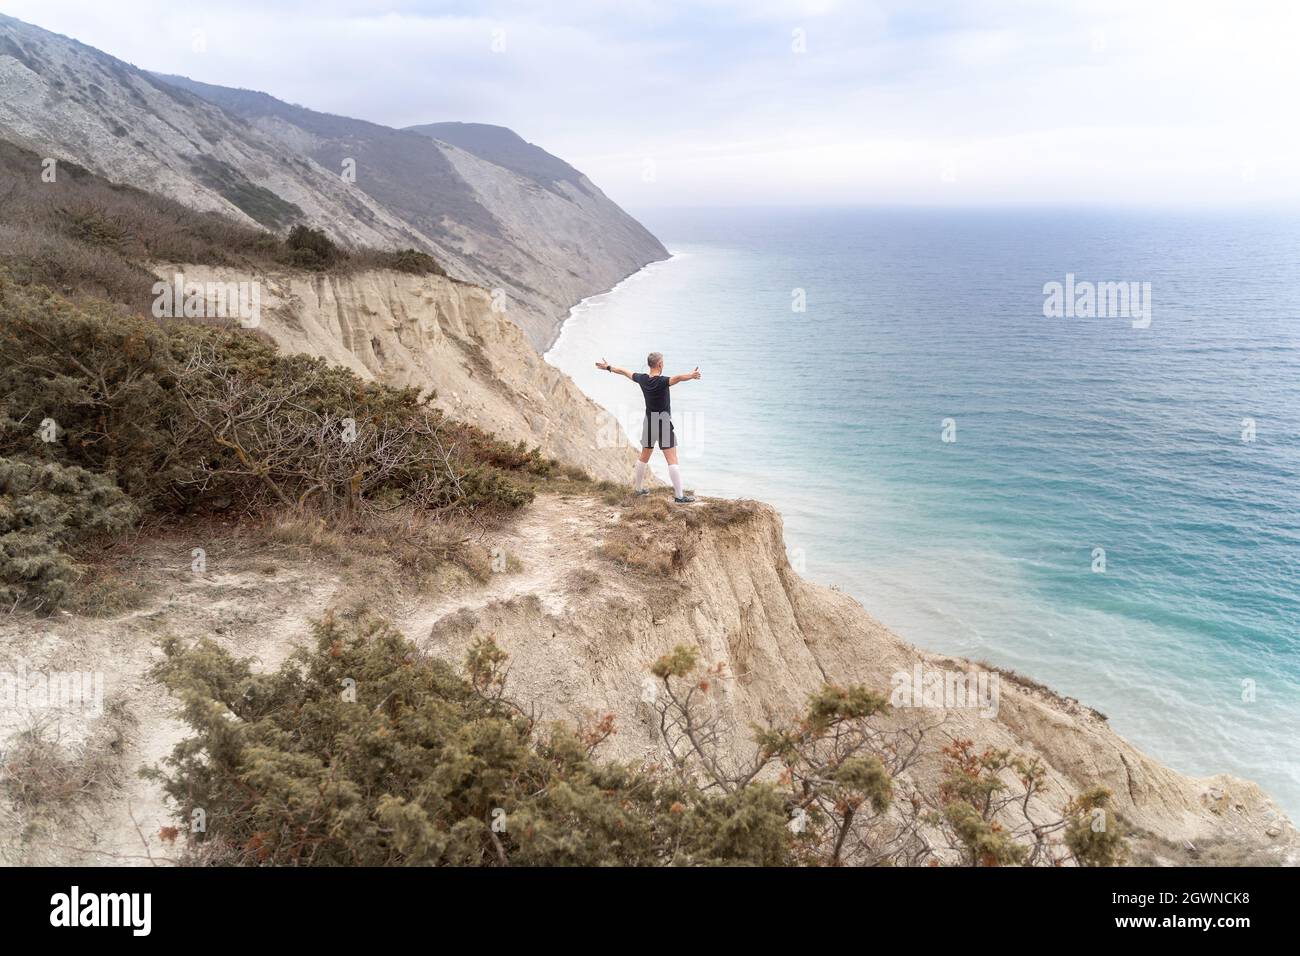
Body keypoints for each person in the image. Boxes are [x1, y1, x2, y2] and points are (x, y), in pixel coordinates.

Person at [595, 351, 700, 503]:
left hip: (649, 421)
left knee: (644, 456)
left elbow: (624, 372)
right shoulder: (663, 381)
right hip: (663, 422)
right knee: (672, 460)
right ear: (660, 364)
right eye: (663, 362)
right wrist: (691, 375)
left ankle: (638, 489)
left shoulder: (643, 379)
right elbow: (677, 378)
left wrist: (608, 367)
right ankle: (679, 496)